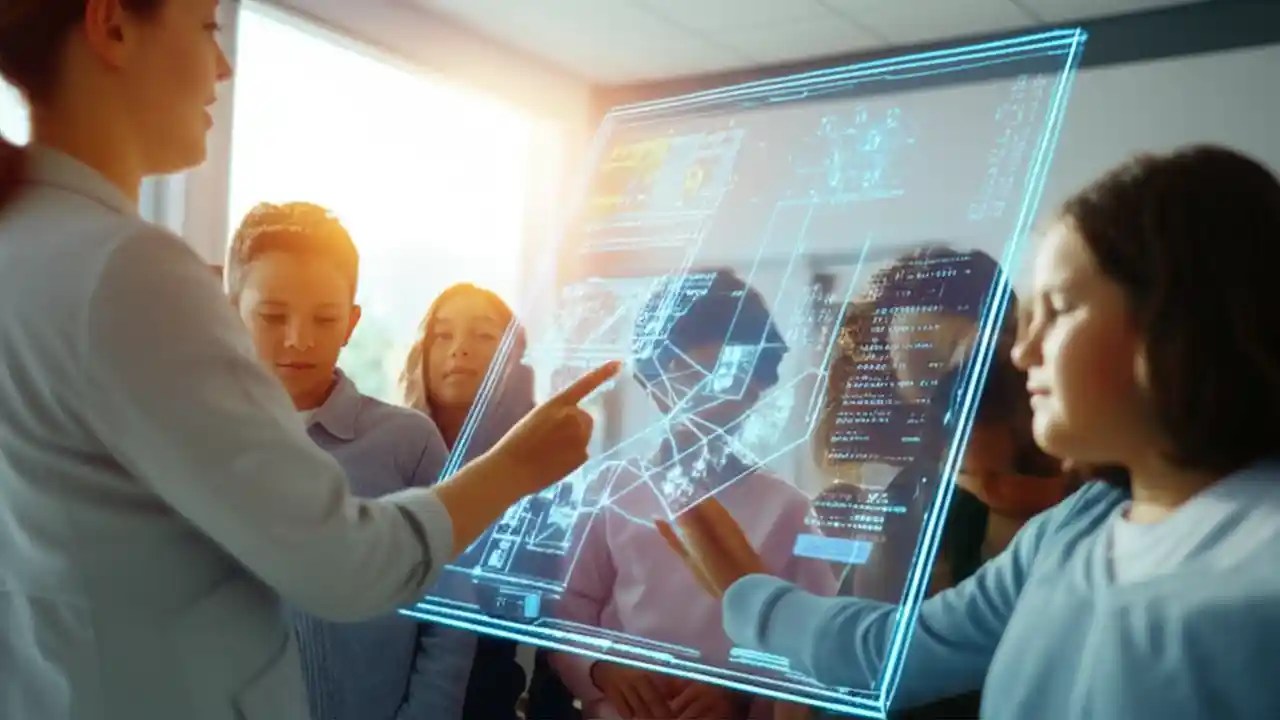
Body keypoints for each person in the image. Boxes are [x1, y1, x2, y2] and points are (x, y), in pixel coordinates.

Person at [0, 4, 617, 719]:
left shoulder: (26, 247)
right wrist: (516, 466)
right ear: (111, 26)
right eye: (205, 28)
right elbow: (345, 567)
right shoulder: (124, 268)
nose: (222, 66)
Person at [660, 146, 1280, 719]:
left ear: (1177, 321)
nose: (1022, 352)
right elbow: (892, 654)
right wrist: (747, 590)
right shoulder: (1075, 532)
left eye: (1059, 310)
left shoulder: (1255, 578)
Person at [226, 202, 474, 720]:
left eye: (325, 317)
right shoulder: (192, 443)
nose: (299, 338)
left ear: (351, 322)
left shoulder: (407, 443)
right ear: (230, 314)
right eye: (273, 317)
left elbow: (452, 606)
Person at [551, 269, 836, 720]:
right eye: (687, 377)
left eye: (728, 378)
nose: (706, 400)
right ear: (654, 385)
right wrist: (603, 666)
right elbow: (568, 608)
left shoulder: (789, 510)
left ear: (756, 387)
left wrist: (741, 697)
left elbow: (812, 645)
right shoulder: (613, 489)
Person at [400, 282, 581, 720]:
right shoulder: (388, 453)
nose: (460, 350)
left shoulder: (548, 474)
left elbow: (557, 621)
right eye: (443, 335)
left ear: (516, 359)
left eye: (484, 336)